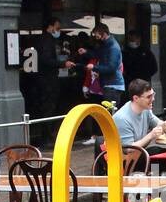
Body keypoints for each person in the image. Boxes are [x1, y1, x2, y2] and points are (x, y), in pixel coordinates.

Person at [34, 17, 73, 145]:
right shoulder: (47, 40)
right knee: (49, 107)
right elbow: (47, 60)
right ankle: (47, 137)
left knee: (47, 107)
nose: (58, 31)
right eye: (57, 28)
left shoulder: (42, 40)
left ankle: (47, 136)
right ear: (50, 27)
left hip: (45, 78)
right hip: (48, 79)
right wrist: (62, 64)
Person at [112, 78, 166, 153]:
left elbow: (158, 124)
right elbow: (128, 149)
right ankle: (156, 165)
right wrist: (150, 135)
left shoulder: (145, 109)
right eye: (149, 97)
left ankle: (165, 164)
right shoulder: (122, 118)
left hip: (141, 154)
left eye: (153, 95)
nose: (153, 99)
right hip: (128, 161)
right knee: (157, 156)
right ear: (136, 98)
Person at [79, 22, 125, 104]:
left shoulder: (113, 47)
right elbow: (98, 54)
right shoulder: (106, 45)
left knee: (110, 113)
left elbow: (111, 67)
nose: (96, 38)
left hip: (112, 85)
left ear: (104, 34)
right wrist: (86, 52)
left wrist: (94, 67)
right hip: (109, 84)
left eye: (97, 36)